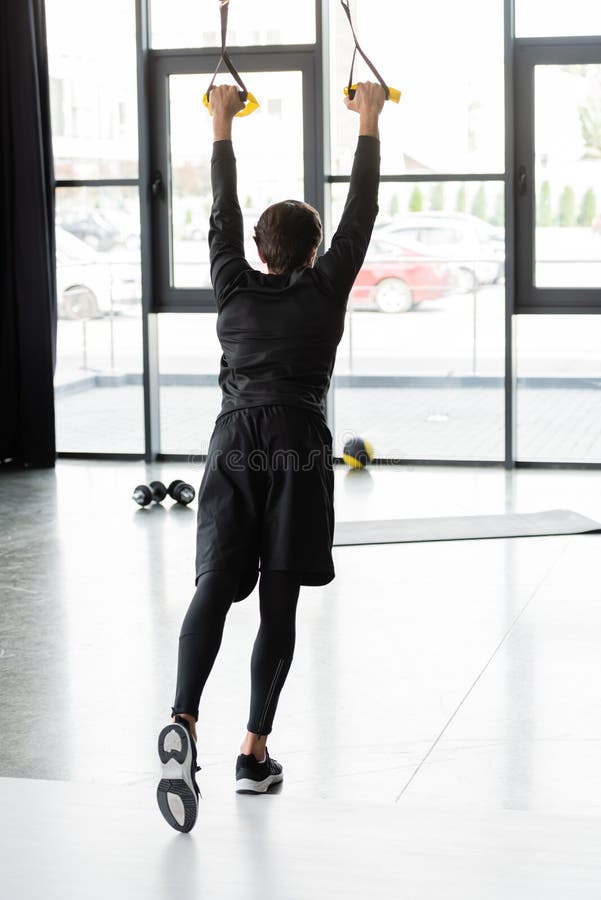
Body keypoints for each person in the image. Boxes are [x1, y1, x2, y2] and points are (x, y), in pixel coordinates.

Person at [156, 81, 385, 833]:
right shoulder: (325, 288)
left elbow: (219, 212)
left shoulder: (230, 285)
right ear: (315, 251)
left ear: (257, 250)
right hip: (296, 444)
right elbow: (362, 211)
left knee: (217, 585)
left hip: (233, 444)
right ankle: (252, 755)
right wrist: (369, 120)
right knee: (277, 604)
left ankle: (182, 720)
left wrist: (221, 123)